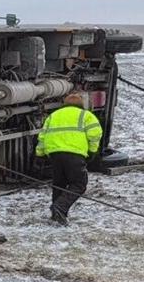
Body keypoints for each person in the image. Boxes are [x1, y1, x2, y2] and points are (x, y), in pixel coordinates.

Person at [35, 91, 103, 225]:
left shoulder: (53, 116)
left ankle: (57, 216)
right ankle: (60, 208)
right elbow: (95, 134)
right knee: (79, 184)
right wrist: (92, 151)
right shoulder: (85, 115)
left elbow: (42, 137)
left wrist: (40, 154)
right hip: (75, 154)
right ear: (81, 105)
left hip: (54, 154)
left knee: (59, 184)